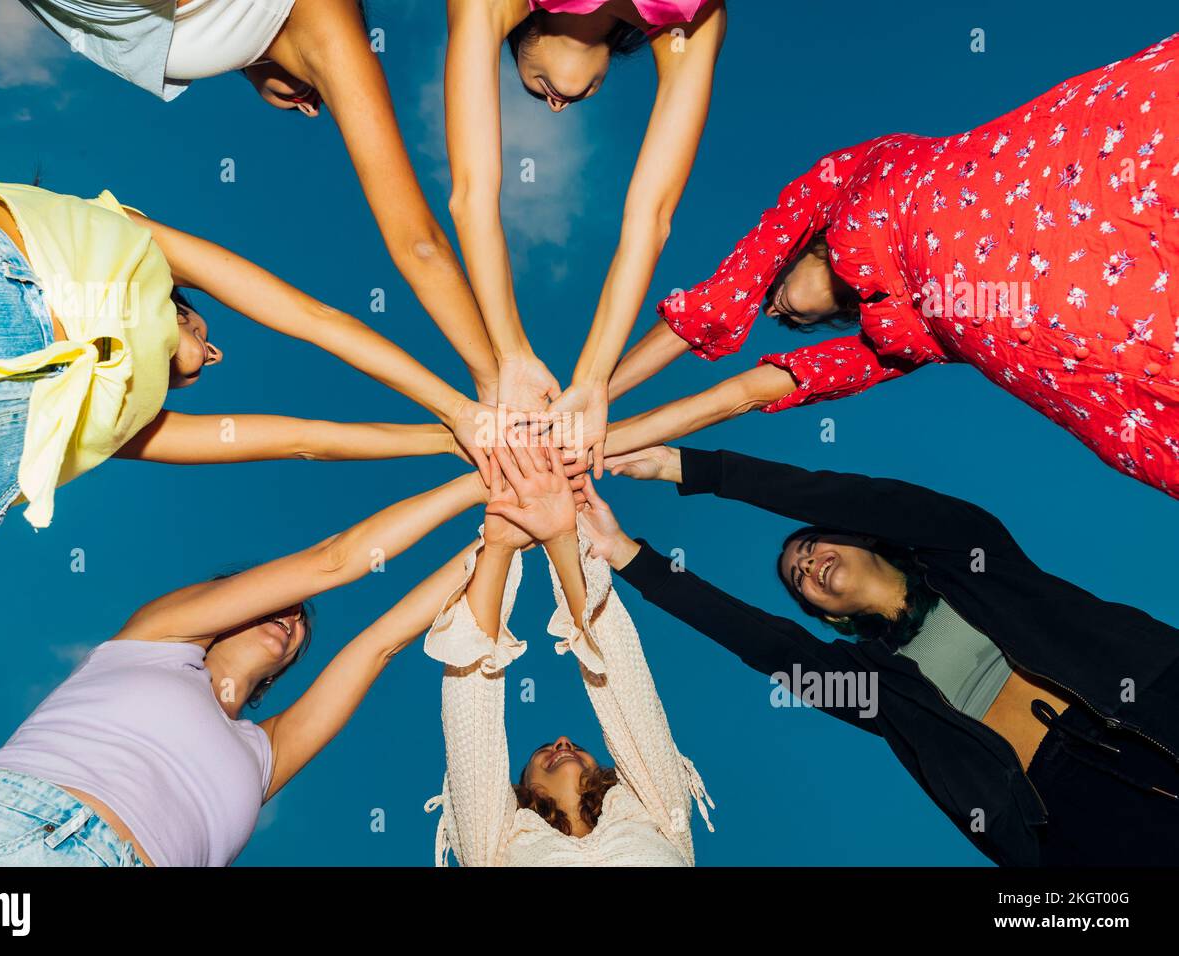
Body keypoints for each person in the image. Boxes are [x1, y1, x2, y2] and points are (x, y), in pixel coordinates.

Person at [0, 163, 492, 649]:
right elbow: (312, 319)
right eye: (209, 334)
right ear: (180, 306)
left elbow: (303, 439)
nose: (216, 356)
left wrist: (446, 439)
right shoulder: (131, 238)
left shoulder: (128, 420)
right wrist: (456, 406)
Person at [603, 33, 1179, 498]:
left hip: (1060, 181)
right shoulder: (885, 344)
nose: (767, 304)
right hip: (1089, 339)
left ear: (800, 249)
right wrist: (599, 440)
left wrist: (595, 389)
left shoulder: (844, 178)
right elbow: (746, 393)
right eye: (784, 319)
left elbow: (716, 302)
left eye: (771, 294)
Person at [579, 443, 1179, 865]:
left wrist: (687, 467)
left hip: (1150, 708)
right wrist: (630, 556)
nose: (809, 565)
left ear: (862, 536)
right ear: (831, 616)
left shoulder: (971, 555)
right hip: (1062, 816)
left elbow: (865, 498)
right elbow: (763, 643)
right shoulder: (875, 689)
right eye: (799, 580)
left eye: (812, 545)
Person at [0, 470, 490, 866]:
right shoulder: (158, 637)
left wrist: (502, 535)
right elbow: (334, 562)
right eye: (279, 604)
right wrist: (484, 481)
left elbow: (381, 643)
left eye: (301, 623)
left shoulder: (266, 752)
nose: (294, 616)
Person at [14, 0, 502, 400]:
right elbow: (418, 244)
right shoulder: (327, 23)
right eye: (320, 98)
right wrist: (497, 374)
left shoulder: (230, 35)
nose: (311, 109)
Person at [443, 0, 726, 457]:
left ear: (519, 35)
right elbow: (650, 219)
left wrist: (513, 355)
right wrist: (592, 379)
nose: (556, 106)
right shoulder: (691, 23)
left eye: (538, 92)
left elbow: (471, 197)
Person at [423, 436, 712, 865]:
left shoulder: (654, 811)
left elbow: (628, 691)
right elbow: (471, 726)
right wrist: (498, 546)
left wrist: (565, 537)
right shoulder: (495, 844)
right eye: (547, 748)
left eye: (559, 743)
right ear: (520, 788)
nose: (561, 741)